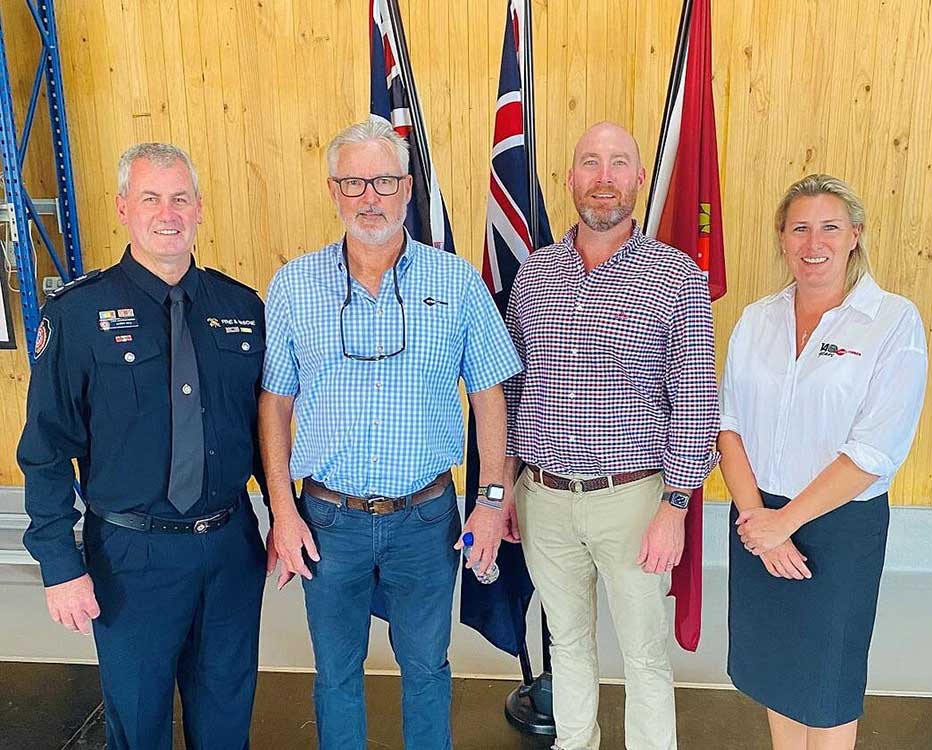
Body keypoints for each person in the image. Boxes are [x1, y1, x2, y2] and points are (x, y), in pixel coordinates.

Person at [259, 116, 522, 750]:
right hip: (328, 520)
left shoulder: (455, 282)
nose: (369, 198)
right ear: (333, 191)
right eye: (353, 183)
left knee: (427, 669)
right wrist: (283, 511)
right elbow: (273, 405)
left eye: (383, 181)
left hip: (426, 520)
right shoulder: (295, 284)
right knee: (336, 675)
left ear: (408, 188)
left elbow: (492, 397)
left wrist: (491, 502)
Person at [17, 143, 269, 750]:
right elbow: (47, 446)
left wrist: (289, 520)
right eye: (151, 198)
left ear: (200, 209)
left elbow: (267, 432)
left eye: (181, 198)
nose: (168, 212)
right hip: (132, 557)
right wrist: (59, 563)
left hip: (230, 548)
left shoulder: (242, 308)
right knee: (138, 721)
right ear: (123, 208)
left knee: (227, 716)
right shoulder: (78, 313)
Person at [503, 121, 720, 750]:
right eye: (590, 163)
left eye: (618, 163)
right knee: (566, 647)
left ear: (638, 179)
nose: (604, 178)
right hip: (543, 498)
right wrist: (515, 484)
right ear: (569, 179)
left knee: (644, 656)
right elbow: (520, 389)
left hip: (634, 502)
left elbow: (695, 400)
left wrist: (675, 506)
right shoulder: (532, 275)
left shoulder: (675, 277)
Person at [719, 173, 928, 749]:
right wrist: (760, 519)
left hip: (837, 528)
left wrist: (784, 524)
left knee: (829, 684)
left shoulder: (892, 322)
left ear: (855, 235)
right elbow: (726, 423)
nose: (814, 243)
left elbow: (874, 450)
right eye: (800, 228)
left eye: (830, 228)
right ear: (782, 239)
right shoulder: (756, 319)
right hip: (755, 516)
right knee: (775, 672)